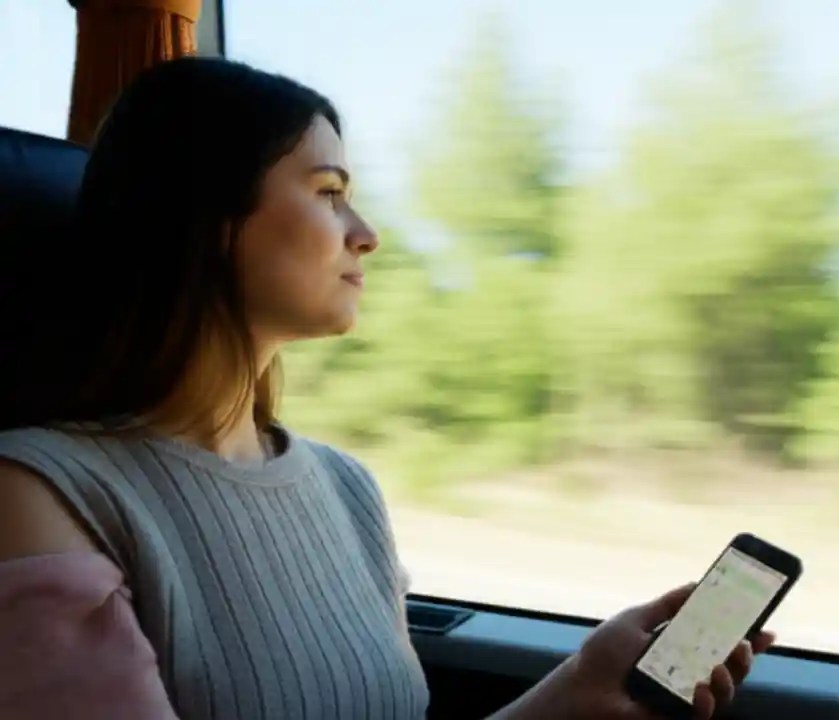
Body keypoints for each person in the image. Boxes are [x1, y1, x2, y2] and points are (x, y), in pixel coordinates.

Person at [0, 57, 773, 719]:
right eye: (329, 191)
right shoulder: (37, 495)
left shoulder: (347, 490)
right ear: (207, 217)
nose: (365, 230)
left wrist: (578, 687)